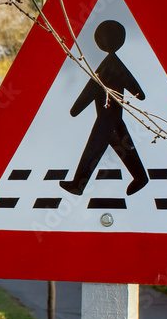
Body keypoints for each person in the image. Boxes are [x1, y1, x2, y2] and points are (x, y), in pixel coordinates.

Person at [59, 19, 149, 196]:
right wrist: (137, 94)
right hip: (113, 117)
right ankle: (140, 177)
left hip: (106, 117)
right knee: (123, 145)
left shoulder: (107, 67)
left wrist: (76, 109)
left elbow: (92, 89)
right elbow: (136, 90)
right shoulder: (115, 65)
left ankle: (78, 184)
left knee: (95, 146)